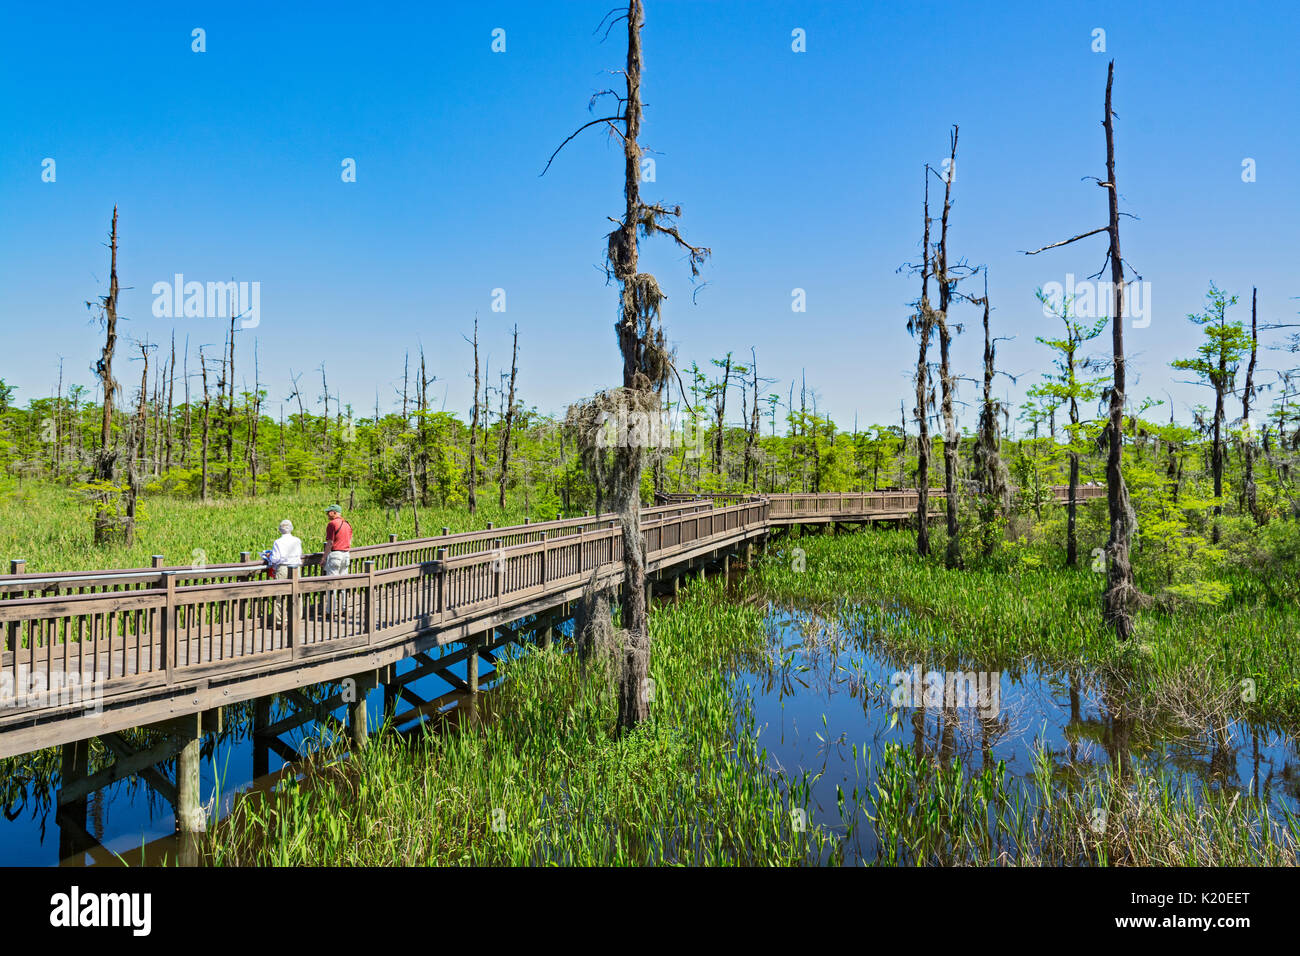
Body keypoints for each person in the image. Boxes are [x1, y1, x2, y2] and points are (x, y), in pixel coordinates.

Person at [265, 519, 302, 628]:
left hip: (283, 568)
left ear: (280, 529)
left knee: (280, 595)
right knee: (297, 594)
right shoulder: (297, 540)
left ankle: (281, 622)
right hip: (295, 568)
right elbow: (299, 553)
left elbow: (276, 558)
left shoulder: (278, 542)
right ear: (291, 528)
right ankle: (296, 619)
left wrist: (268, 557)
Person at [322, 505, 354, 618]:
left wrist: (324, 557)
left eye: (328, 512)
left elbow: (330, 542)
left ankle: (331, 611)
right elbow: (350, 540)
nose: (327, 514)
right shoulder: (347, 524)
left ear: (334, 513)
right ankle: (345, 608)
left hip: (335, 554)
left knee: (332, 583)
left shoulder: (332, 524)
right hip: (346, 555)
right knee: (343, 582)